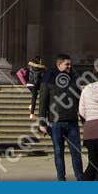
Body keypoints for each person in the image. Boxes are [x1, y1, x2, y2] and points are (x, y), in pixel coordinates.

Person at [36, 52, 84, 181]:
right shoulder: (49, 78)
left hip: (72, 121)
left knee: (76, 152)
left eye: (70, 64)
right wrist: (42, 122)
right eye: (67, 64)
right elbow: (43, 102)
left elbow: (80, 99)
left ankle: (80, 177)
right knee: (58, 152)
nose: (70, 66)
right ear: (59, 64)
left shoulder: (73, 78)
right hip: (55, 122)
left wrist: (83, 117)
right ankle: (61, 178)